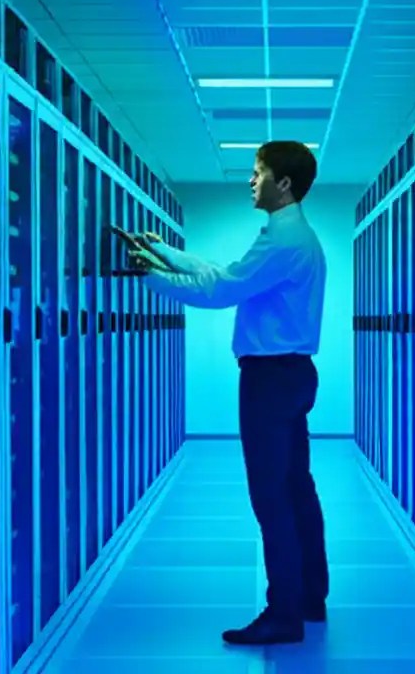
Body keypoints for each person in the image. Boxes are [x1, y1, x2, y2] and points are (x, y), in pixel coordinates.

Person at [131, 141, 329, 646]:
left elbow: (219, 290)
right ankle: (310, 596)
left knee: (271, 496)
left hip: (270, 380)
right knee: (296, 487)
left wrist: (150, 277)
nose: (251, 180)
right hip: (293, 374)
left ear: (284, 183)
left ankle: (283, 614)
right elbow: (228, 275)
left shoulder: (285, 241)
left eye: (259, 172)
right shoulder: (296, 237)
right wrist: (164, 253)